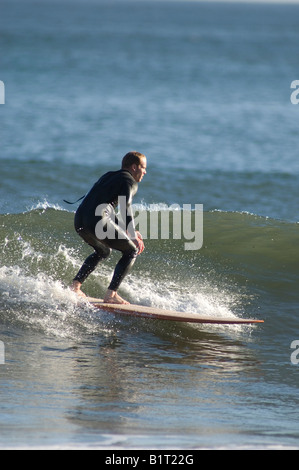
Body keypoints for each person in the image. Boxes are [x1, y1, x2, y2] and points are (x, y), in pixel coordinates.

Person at [70, 151, 147, 304]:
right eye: (143, 168)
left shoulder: (108, 176)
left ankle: (75, 286)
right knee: (131, 250)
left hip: (80, 220)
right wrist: (131, 234)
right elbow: (125, 206)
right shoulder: (130, 181)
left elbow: (106, 208)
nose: (145, 172)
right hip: (97, 220)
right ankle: (111, 295)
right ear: (134, 167)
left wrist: (127, 230)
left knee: (103, 251)